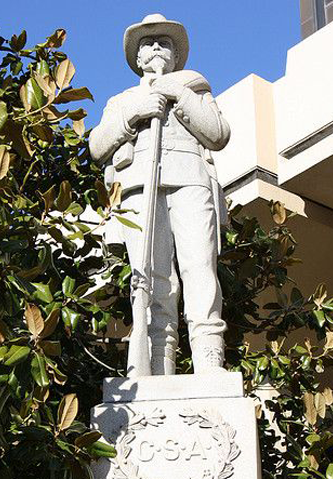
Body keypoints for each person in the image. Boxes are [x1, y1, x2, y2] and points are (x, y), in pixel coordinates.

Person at [89, 13, 231, 375]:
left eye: (164, 42)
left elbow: (217, 133)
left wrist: (179, 95)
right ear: (137, 58)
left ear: (176, 55)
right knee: (151, 279)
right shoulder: (123, 99)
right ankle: (158, 364)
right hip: (138, 186)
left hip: (190, 180)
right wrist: (132, 115)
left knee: (199, 267)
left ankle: (209, 359)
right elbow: (97, 146)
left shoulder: (195, 89)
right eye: (148, 43)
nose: (155, 47)